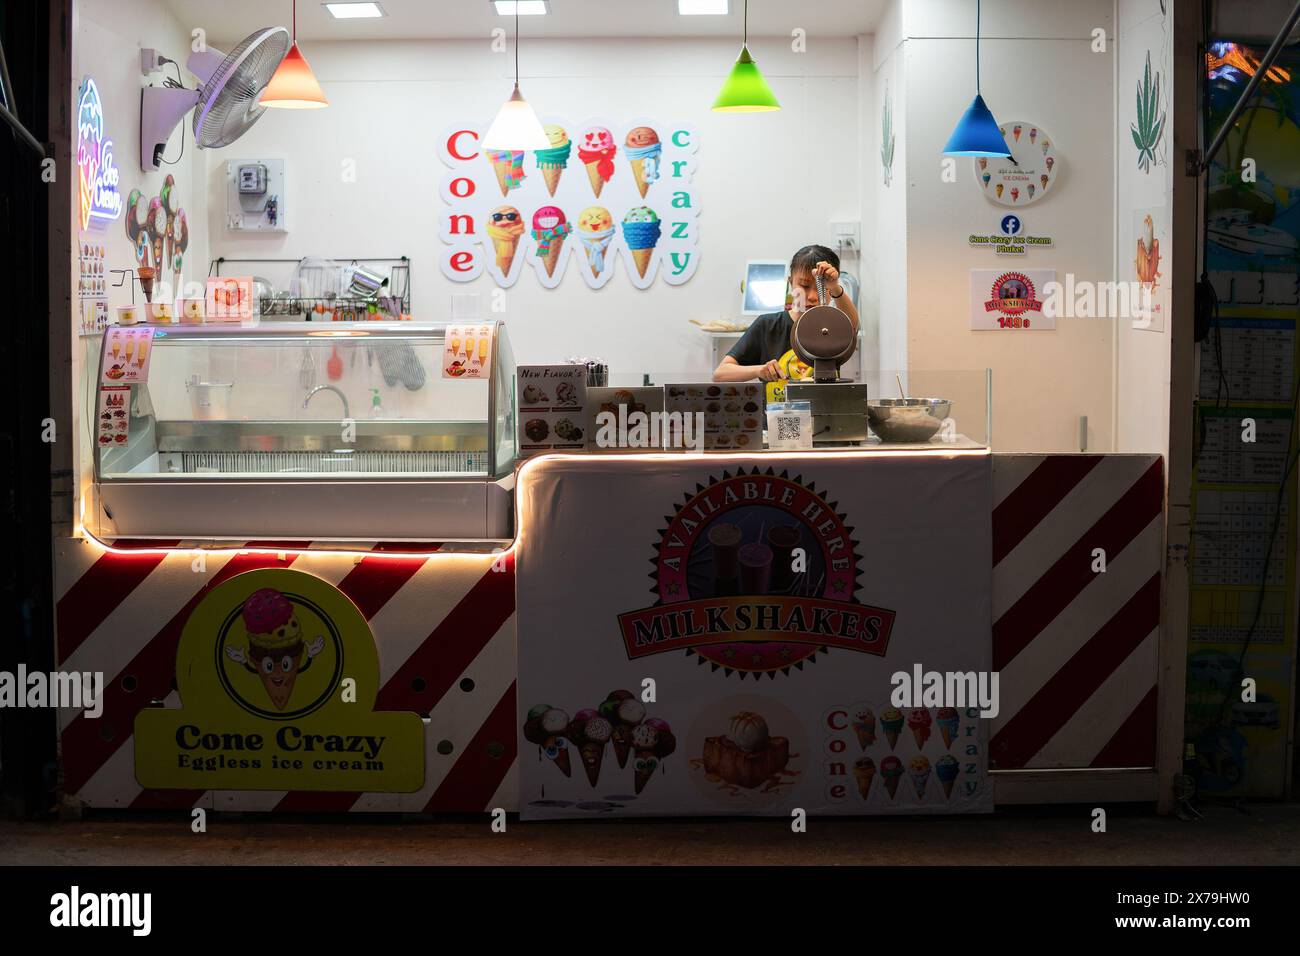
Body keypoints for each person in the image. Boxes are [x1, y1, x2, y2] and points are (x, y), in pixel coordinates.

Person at [713, 245, 859, 383]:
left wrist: (835, 288)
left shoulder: (832, 326)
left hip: (823, 408)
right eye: (804, 286)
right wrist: (759, 370)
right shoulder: (767, 325)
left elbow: (852, 326)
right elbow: (720, 374)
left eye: (822, 287)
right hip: (774, 410)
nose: (813, 296)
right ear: (791, 283)